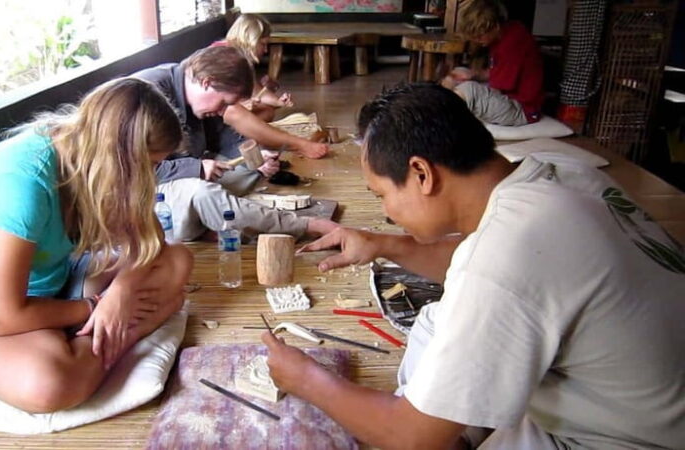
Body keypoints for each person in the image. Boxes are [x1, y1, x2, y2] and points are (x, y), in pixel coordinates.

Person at [262, 83, 685, 449]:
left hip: (633, 439)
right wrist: (382, 244)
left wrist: (305, 379)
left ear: (422, 174)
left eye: (381, 196)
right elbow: (494, 267)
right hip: (650, 398)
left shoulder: (506, 253)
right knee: (437, 318)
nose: (387, 211)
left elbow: (410, 438)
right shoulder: (563, 174)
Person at [0, 77, 194, 413]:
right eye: (153, 165)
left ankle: (97, 337)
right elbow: (1, 316)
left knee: (177, 260)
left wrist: (122, 293)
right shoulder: (22, 183)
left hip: (55, 284)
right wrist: (96, 306)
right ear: (122, 159)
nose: (154, 175)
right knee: (48, 384)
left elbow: (152, 242)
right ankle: (120, 334)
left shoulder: (88, 159)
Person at [134, 46, 337, 241]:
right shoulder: (147, 96)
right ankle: (302, 226)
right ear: (206, 82)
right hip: (139, 192)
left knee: (246, 172)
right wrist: (195, 167)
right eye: (223, 103)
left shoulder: (195, 96)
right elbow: (132, 169)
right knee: (202, 193)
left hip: (178, 175)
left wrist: (256, 157)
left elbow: (221, 137)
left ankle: (212, 219)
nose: (223, 111)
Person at [216, 13, 329, 158]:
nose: (266, 50)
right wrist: (243, 106)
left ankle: (252, 132)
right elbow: (219, 103)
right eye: (263, 44)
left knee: (268, 111)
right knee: (242, 112)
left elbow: (256, 92)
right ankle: (294, 143)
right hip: (216, 116)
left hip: (227, 112)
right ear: (250, 39)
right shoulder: (223, 58)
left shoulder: (242, 60)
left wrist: (278, 101)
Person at [440, 0, 544, 126]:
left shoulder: (512, 42)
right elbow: (497, 73)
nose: (476, 40)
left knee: (468, 90)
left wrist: (466, 85)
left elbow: (498, 88)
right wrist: (471, 75)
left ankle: (441, 124)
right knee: (458, 78)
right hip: (509, 98)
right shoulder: (503, 34)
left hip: (522, 109)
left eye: (480, 35)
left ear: (495, 26)